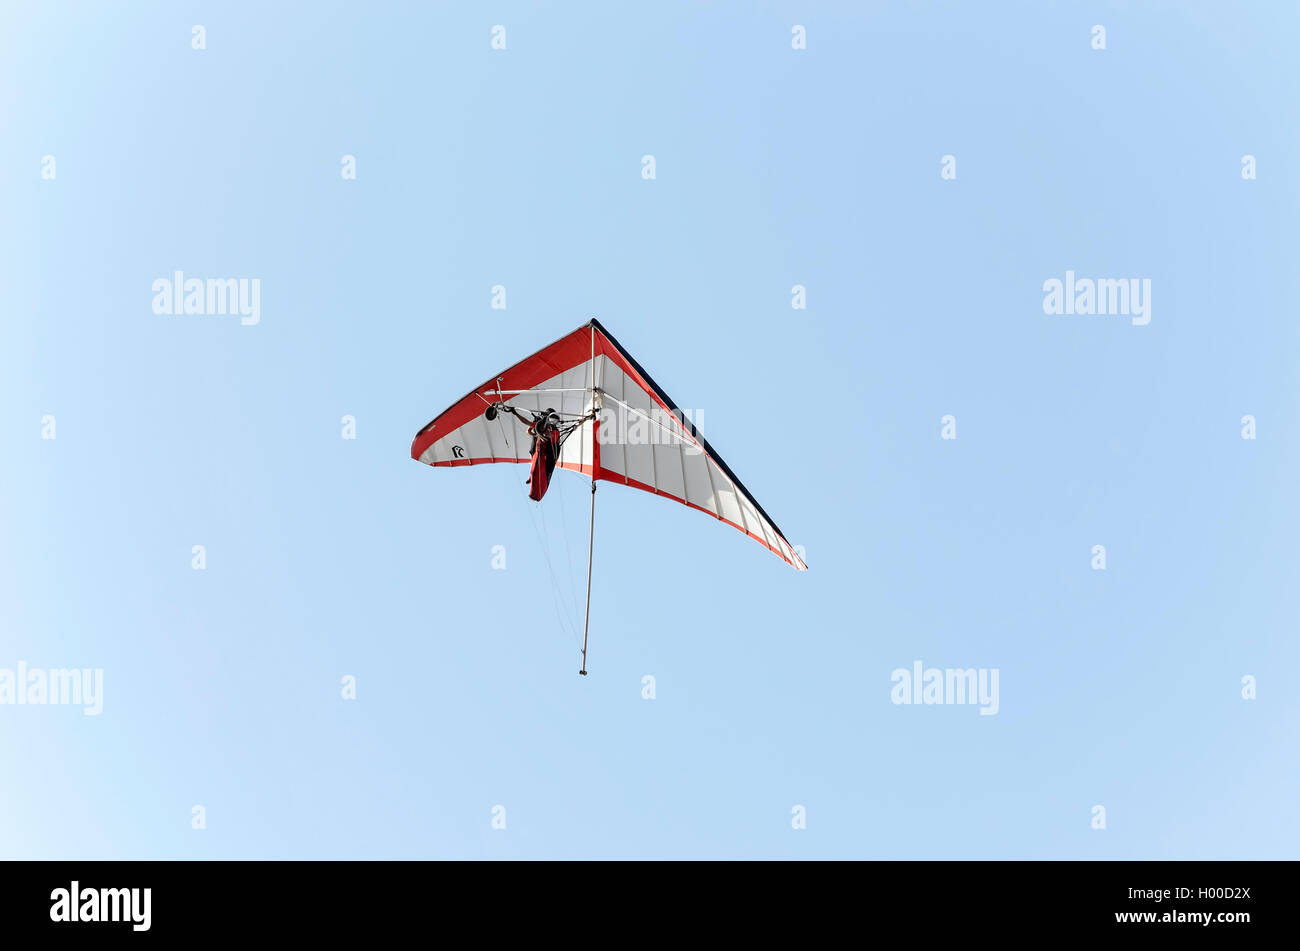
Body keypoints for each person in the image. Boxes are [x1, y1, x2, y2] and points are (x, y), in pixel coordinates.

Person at [526, 409, 562, 501]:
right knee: (533, 453)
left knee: (540, 462)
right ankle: (531, 476)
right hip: (539, 448)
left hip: (549, 452)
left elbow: (552, 437)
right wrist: (514, 412)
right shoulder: (540, 424)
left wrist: (545, 434)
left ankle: (532, 477)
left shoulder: (554, 431)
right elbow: (528, 425)